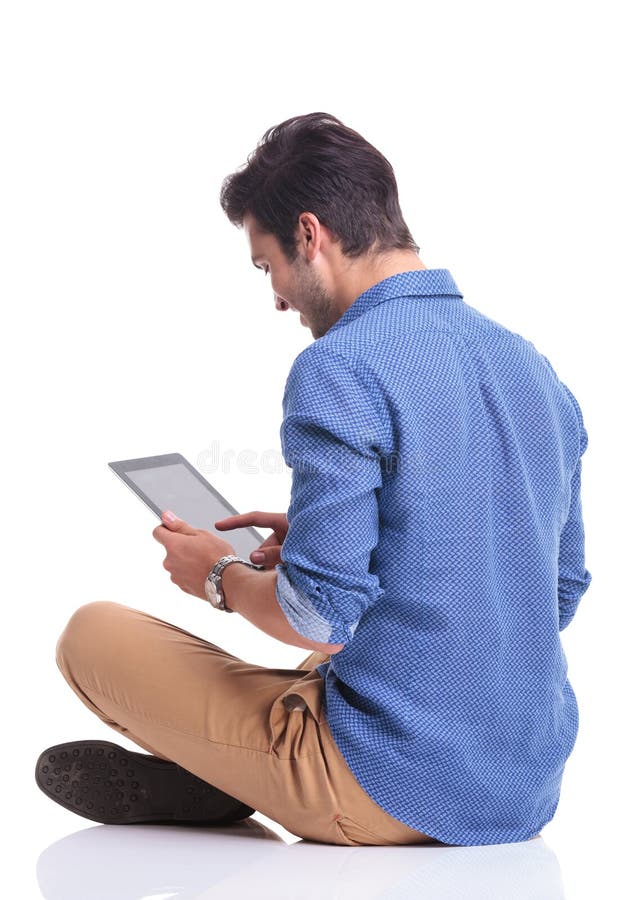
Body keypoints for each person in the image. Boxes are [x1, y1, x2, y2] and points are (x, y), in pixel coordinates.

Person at [36, 112, 591, 847]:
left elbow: (320, 620)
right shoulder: (531, 366)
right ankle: (229, 772)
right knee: (332, 655)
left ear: (309, 234)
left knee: (92, 635)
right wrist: (379, 541)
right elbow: (552, 591)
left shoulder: (341, 365)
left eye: (267, 266)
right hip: (520, 782)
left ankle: (241, 775)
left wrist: (218, 579)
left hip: (386, 789)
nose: (275, 297)